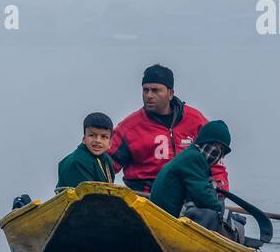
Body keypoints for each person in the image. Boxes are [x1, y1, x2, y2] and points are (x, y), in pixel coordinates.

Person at [108, 64, 227, 194]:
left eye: (155, 90)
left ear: (170, 93)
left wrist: (219, 193)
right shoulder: (129, 128)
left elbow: (216, 164)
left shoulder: (196, 121)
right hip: (145, 197)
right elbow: (105, 165)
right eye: (145, 90)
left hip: (189, 195)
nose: (149, 95)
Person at [149, 120, 243, 240]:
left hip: (165, 216)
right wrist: (222, 210)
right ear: (204, 142)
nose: (217, 153)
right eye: (216, 146)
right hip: (166, 219)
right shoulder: (194, 159)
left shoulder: (192, 155)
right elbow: (205, 198)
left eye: (221, 150)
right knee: (213, 216)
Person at [56, 113, 116, 191]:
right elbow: (86, 196)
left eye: (104, 137)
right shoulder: (77, 162)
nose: (98, 140)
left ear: (110, 143)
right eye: (92, 135)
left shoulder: (107, 160)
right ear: (84, 139)